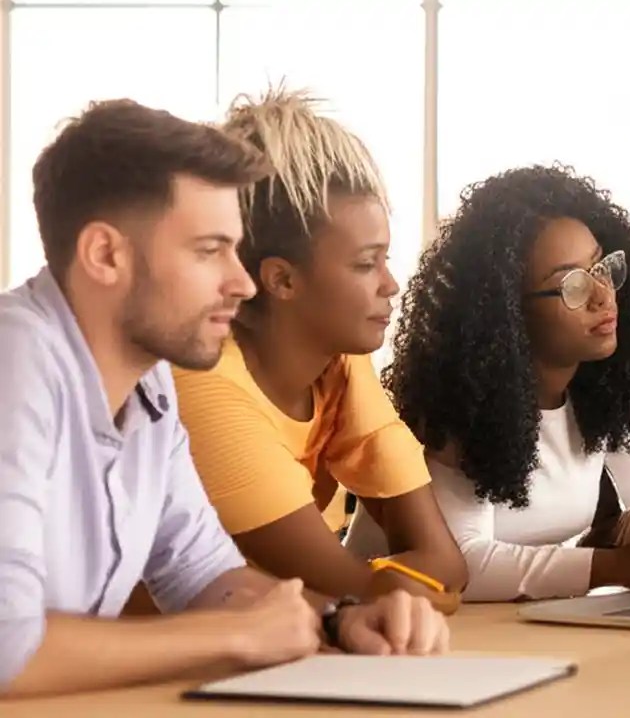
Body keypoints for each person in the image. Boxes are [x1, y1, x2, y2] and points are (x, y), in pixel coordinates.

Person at [0, 99, 447, 698]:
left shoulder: (149, 381)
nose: (241, 283)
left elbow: (201, 571)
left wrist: (338, 619)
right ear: (106, 255)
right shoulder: (16, 362)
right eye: (209, 251)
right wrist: (232, 638)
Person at [344, 165, 630, 601]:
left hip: (508, 628)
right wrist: (620, 565)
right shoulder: (458, 407)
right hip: (401, 623)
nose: (603, 295)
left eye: (602, 267)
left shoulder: (607, 392)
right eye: (571, 284)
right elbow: (462, 565)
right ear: (506, 312)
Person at [171, 89, 467, 609]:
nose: (391, 284)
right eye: (365, 264)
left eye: (385, 258)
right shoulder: (202, 386)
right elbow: (355, 588)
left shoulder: (341, 363)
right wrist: (385, 585)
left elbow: (446, 568)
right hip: (120, 674)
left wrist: (381, 587)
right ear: (282, 280)